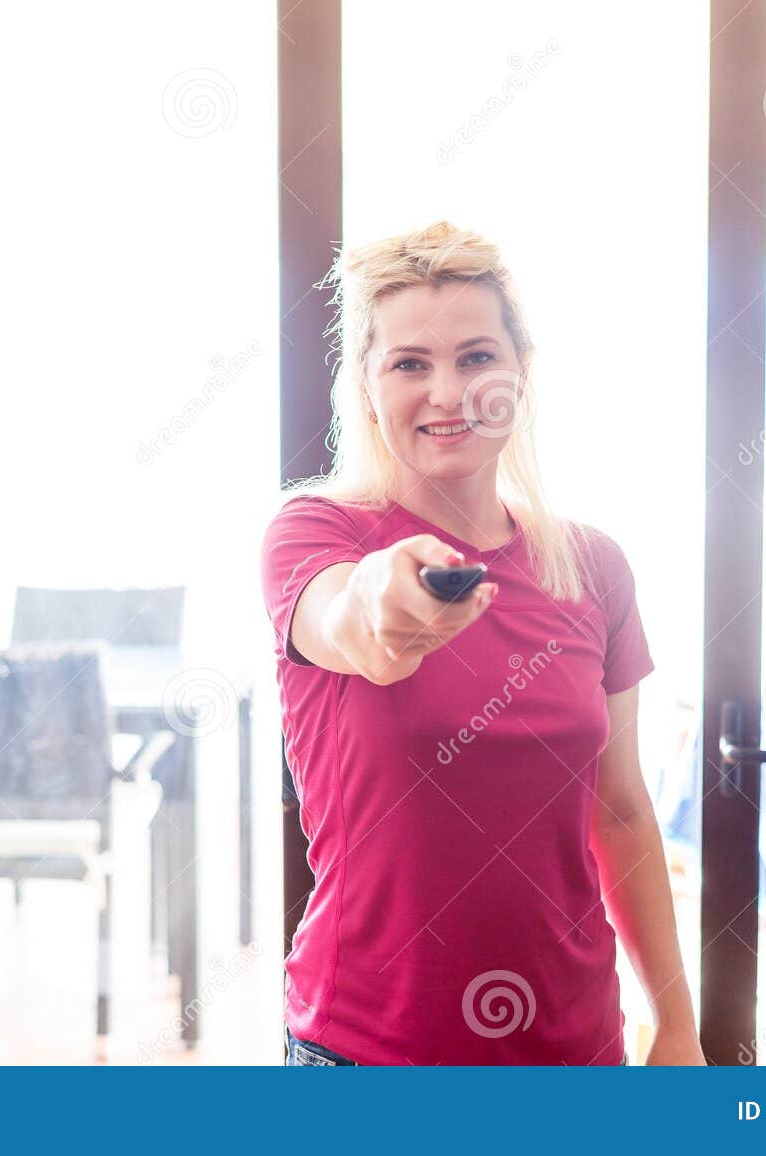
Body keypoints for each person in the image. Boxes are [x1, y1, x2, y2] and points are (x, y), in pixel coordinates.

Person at [260, 221, 706, 1066]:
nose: (447, 391)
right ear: (364, 383)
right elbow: (348, 622)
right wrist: (385, 601)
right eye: (408, 364)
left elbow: (620, 807)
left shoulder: (591, 567)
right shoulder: (314, 535)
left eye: (475, 357)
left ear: (519, 373)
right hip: (367, 1058)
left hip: (576, 1051)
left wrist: (677, 1025)